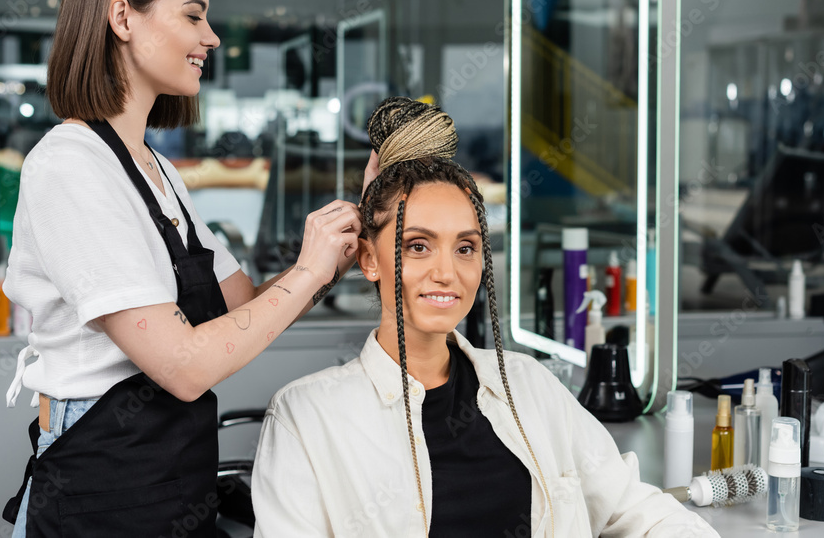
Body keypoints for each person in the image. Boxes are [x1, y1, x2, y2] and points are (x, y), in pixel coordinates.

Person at [2, 0, 370, 537]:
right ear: (122, 16)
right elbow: (182, 366)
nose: (212, 37)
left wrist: (341, 247)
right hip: (101, 484)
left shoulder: (157, 169)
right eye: (193, 15)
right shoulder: (70, 165)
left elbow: (243, 309)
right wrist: (308, 269)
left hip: (170, 479)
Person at [250, 98, 719, 537]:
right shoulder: (307, 418)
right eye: (417, 245)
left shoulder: (529, 385)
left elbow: (635, 509)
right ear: (369, 259)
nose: (446, 273)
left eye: (466, 247)